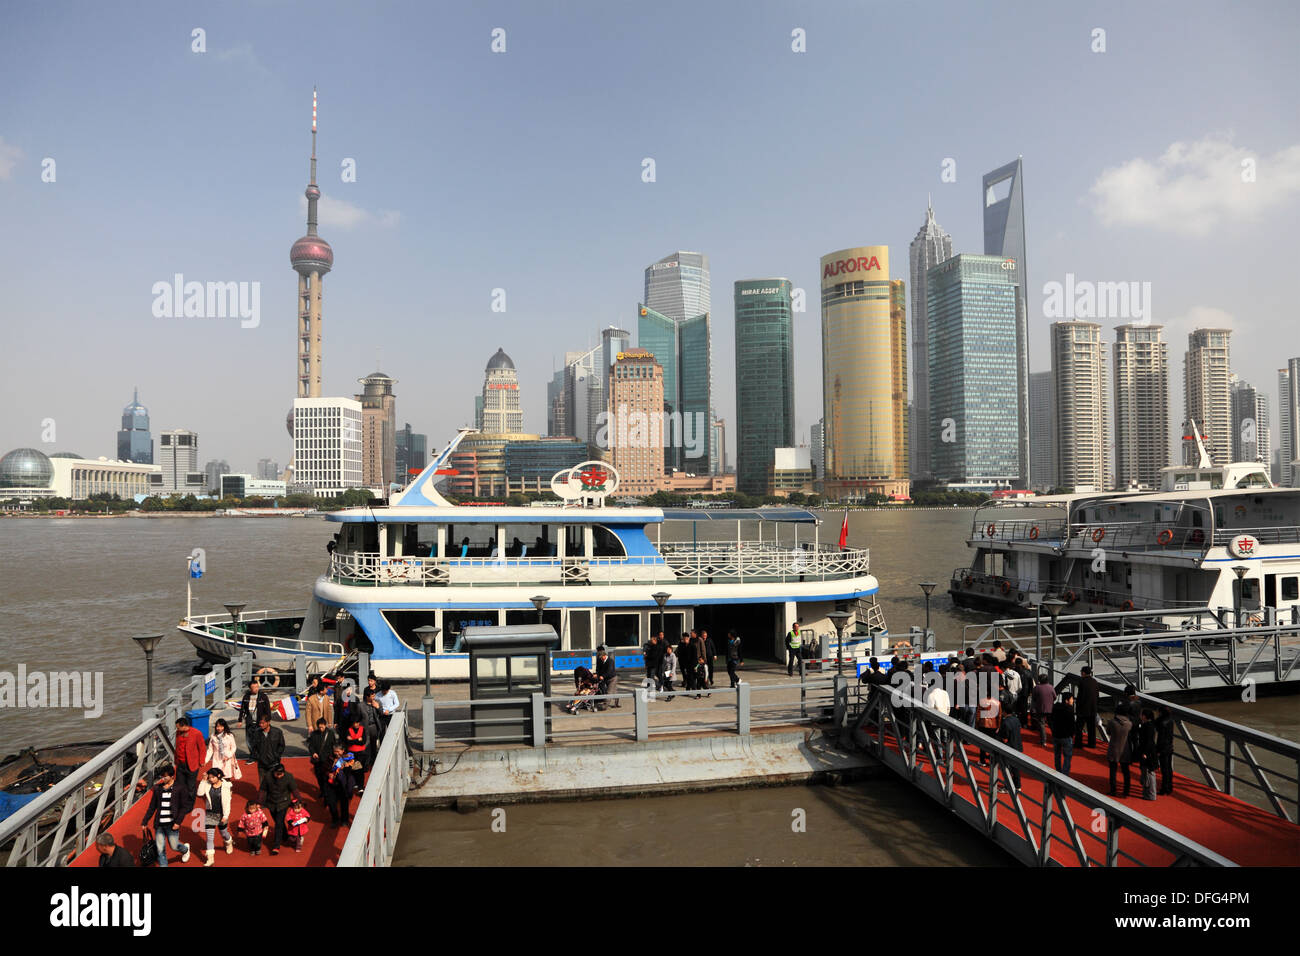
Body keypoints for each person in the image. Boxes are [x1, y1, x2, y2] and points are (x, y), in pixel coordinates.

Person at [141, 764, 191, 867]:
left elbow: (184, 807)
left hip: (172, 824)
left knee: (174, 846)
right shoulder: (158, 789)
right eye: (161, 776)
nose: (162, 779)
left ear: (172, 776)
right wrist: (145, 821)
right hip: (159, 825)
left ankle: (185, 849)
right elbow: (152, 807)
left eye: (165, 776)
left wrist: (178, 822)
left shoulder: (180, 788)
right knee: (160, 850)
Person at [256, 763, 300, 856]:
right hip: (271, 803)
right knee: (277, 821)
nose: (279, 776)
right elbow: (263, 790)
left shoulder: (289, 777)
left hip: (283, 803)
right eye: (277, 774)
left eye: (281, 774)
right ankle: (285, 836)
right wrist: (259, 803)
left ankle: (276, 846)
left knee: (278, 823)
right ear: (274, 772)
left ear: (284, 772)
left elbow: (294, 789)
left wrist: (299, 801)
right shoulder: (268, 777)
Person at [195, 768, 233, 865]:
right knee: (210, 837)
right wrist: (203, 781)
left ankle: (229, 842)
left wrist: (225, 816)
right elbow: (199, 793)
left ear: (219, 776)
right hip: (210, 814)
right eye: (210, 777)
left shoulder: (226, 786)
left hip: (221, 814)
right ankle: (210, 859)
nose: (211, 779)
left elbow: (227, 803)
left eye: (213, 777)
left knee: (223, 833)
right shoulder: (207, 784)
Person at [173, 715, 205, 815]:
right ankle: (181, 803)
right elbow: (177, 747)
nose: (177, 729)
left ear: (184, 726)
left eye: (178, 727)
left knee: (190, 786)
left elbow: (202, 748)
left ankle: (189, 805)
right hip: (180, 764)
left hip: (192, 764)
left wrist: (201, 760)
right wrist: (176, 760)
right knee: (179, 785)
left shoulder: (196, 733)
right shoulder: (178, 733)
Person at [324, 745, 361, 826]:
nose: (336, 753)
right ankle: (335, 819)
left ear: (343, 750)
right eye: (335, 751)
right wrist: (329, 773)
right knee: (332, 803)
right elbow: (324, 768)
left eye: (338, 751)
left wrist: (348, 766)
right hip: (332, 784)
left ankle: (344, 820)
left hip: (343, 785)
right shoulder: (330, 758)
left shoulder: (349, 758)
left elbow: (358, 768)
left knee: (344, 803)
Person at [237, 678, 272, 763]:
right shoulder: (246, 697)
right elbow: (242, 709)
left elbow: (268, 709)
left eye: (257, 687)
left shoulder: (263, 696)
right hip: (249, 722)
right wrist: (240, 720)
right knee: (249, 740)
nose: (256, 689)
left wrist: (268, 721)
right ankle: (253, 756)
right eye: (254, 687)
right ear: (250, 688)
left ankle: (262, 756)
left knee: (261, 740)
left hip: (260, 722)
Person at [1106, 705, 1134, 797]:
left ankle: (1113, 790)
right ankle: (1126, 791)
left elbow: (1108, 732)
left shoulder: (1112, 722)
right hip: (1125, 750)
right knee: (1126, 772)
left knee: (1113, 771)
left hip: (1114, 749)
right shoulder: (1129, 724)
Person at [1071, 666, 1100, 748]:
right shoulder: (1094, 681)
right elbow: (1097, 696)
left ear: (1083, 673)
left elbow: (1081, 696)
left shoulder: (1082, 682)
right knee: (1091, 728)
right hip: (1093, 708)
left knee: (1079, 727)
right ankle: (1092, 744)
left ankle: (1078, 743)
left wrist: (1077, 708)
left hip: (1083, 709)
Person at [308, 717, 338, 796]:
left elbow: (334, 745)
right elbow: (311, 746)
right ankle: (322, 790)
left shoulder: (330, 733)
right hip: (318, 760)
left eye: (322, 727)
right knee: (319, 776)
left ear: (325, 725)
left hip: (328, 759)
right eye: (319, 727)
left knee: (327, 776)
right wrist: (313, 752)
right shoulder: (314, 734)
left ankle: (328, 791)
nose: (321, 728)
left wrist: (335, 756)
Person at [997, 705, 1024, 793]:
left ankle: (1008, 787)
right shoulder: (1016, 719)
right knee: (1015, 768)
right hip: (1018, 746)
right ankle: (1018, 786)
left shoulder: (1005, 723)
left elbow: (1004, 737)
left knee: (1006, 768)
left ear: (1004, 711)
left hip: (1009, 748)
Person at [205, 718, 241, 782]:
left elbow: (233, 747)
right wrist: (205, 760)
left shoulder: (229, 736)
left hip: (227, 759)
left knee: (226, 777)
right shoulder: (213, 736)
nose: (219, 728)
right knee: (217, 777)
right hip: (217, 759)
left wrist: (228, 755)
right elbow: (210, 750)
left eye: (221, 726)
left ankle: (227, 791)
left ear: (224, 727)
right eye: (217, 726)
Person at [251, 714, 285, 780]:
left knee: (274, 783)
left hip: (274, 763)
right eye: (260, 723)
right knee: (262, 784)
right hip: (261, 764)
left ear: (268, 722)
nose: (261, 725)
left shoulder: (277, 732)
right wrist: (258, 757)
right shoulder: (256, 733)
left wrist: (276, 756)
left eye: (263, 723)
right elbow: (254, 747)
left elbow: (281, 746)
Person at [1050, 692, 1077, 776]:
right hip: (1066, 736)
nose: (1073, 701)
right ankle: (1065, 775)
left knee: (1057, 755)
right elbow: (1072, 724)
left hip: (1056, 735)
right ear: (1066, 700)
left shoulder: (1055, 707)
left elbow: (1051, 719)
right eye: (1071, 699)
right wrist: (1072, 734)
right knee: (1067, 756)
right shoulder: (1070, 709)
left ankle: (1058, 771)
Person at [1137, 708, 1159, 801]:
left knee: (1149, 773)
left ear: (1144, 716)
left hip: (1148, 753)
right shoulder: (1150, 725)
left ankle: (1150, 794)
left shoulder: (1147, 726)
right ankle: (1148, 793)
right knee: (1148, 772)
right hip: (1150, 752)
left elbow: (1148, 741)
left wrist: (1145, 753)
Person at [1030, 673, 1056, 745]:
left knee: (1041, 724)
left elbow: (1034, 698)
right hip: (1050, 708)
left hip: (1040, 708)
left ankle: (1043, 740)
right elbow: (1055, 697)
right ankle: (1055, 740)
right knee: (1051, 725)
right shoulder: (1051, 687)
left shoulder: (1037, 688)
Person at [1156, 705, 1176, 795]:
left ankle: (1164, 788)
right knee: (1169, 768)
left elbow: (1161, 737)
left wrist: (1158, 750)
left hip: (1163, 747)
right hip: (1169, 746)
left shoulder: (1161, 722)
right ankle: (1169, 786)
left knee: (1164, 769)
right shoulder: (1171, 720)